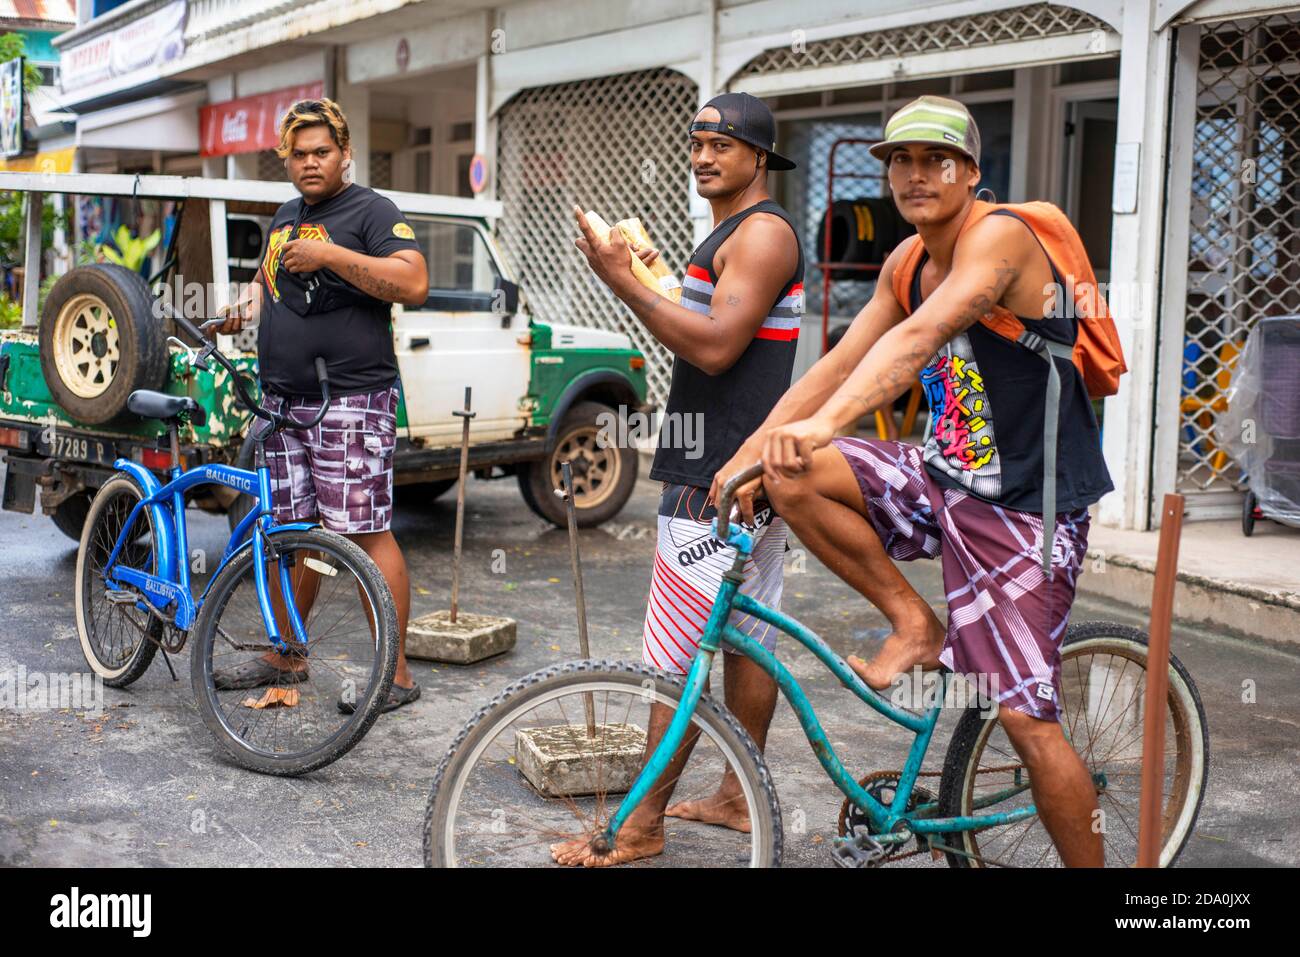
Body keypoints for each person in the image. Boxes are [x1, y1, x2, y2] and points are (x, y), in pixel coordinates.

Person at [715, 95, 1114, 866]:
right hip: (942, 477)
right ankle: (916, 623)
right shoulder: (908, 260)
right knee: (791, 474)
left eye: (937, 160)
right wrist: (752, 451)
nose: (916, 174)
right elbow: (839, 362)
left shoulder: (1002, 236)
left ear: (971, 172)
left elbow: (922, 334)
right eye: (901, 160)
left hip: (1026, 511)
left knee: (1027, 722)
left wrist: (828, 423)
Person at [552, 92, 804, 866]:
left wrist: (618, 279)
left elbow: (719, 347)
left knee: (677, 656)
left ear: (759, 158)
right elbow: (710, 324)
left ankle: (643, 821)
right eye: (696, 141)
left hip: (717, 473)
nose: (703, 156)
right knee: (745, 641)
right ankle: (738, 793)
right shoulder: (733, 234)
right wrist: (657, 280)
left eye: (722, 145)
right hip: (746, 468)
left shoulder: (761, 234)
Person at [211, 97, 430, 713]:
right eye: (299, 154)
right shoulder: (284, 216)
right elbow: (266, 282)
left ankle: (398, 675)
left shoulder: (372, 211)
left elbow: (413, 282)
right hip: (285, 402)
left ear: (344, 153)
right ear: (286, 159)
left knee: (363, 532)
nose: (310, 163)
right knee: (293, 531)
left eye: (322, 152)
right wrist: (241, 312)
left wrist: (330, 254)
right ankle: (289, 652)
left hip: (352, 399)